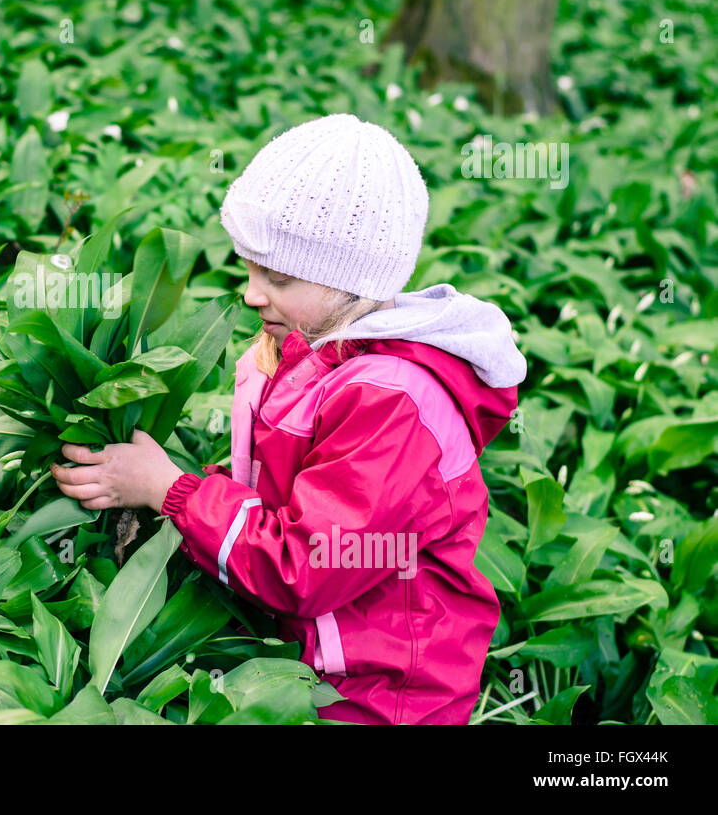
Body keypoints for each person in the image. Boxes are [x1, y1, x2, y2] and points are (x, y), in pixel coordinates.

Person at [49, 112, 527, 724]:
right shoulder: (305, 352)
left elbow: (308, 566)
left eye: (276, 277)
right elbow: (279, 483)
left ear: (351, 283)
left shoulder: (395, 403)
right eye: (248, 269)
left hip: (381, 693)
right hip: (307, 662)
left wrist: (170, 490)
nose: (251, 293)